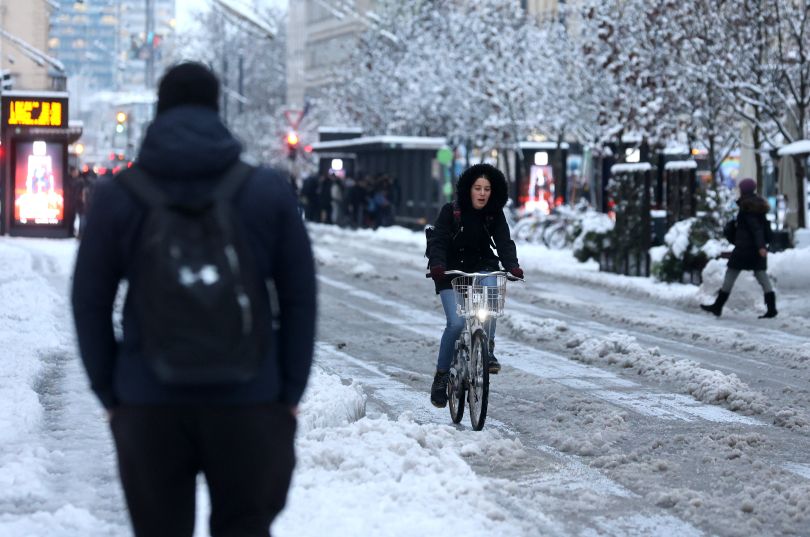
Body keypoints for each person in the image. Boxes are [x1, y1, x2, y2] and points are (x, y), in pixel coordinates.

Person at [71, 62, 317, 537]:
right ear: (216, 108)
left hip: (148, 403)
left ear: (158, 111)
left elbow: (89, 302)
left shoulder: (117, 196)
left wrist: (112, 392)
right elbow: (300, 300)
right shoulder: (267, 192)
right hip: (250, 403)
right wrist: (286, 394)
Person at [426, 163, 523, 408]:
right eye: (477, 188)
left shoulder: (493, 214)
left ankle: (487, 349)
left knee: (492, 296)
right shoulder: (451, 211)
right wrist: (437, 264)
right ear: (468, 189)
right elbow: (437, 240)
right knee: (456, 323)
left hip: (482, 266)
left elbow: (503, 241)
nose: (482, 193)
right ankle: (441, 376)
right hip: (450, 271)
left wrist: (512, 265)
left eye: (487, 189)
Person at [701, 177, 777, 318]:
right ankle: (772, 308)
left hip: (745, 249)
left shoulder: (748, 207)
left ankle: (717, 306)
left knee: (731, 274)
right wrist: (761, 247)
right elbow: (758, 229)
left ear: (744, 190)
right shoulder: (756, 205)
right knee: (761, 276)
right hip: (752, 249)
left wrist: (761, 246)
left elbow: (756, 229)